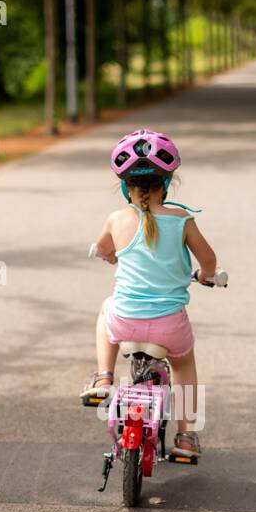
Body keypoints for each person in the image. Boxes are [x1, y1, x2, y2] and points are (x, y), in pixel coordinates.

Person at [82, 127, 217, 460]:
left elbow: (102, 249)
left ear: (127, 187)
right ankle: (186, 437)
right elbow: (209, 260)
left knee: (105, 308)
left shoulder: (116, 219)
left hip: (125, 322)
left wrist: (110, 255)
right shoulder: (183, 219)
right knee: (184, 365)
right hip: (169, 327)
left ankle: (103, 378)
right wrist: (206, 276)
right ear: (167, 184)